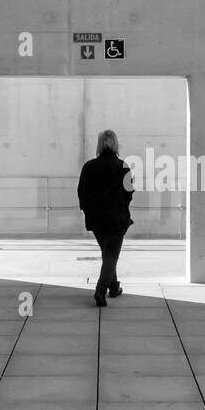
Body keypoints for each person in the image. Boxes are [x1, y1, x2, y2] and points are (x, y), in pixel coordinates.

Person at [77, 129, 133, 307]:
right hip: (116, 219)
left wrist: (88, 211)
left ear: (99, 145)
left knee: (108, 254)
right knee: (111, 255)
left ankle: (114, 287)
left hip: (96, 220)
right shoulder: (123, 166)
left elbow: (82, 193)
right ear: (116, 144)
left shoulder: (89, 166)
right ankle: (101, 290)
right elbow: (129, 194)